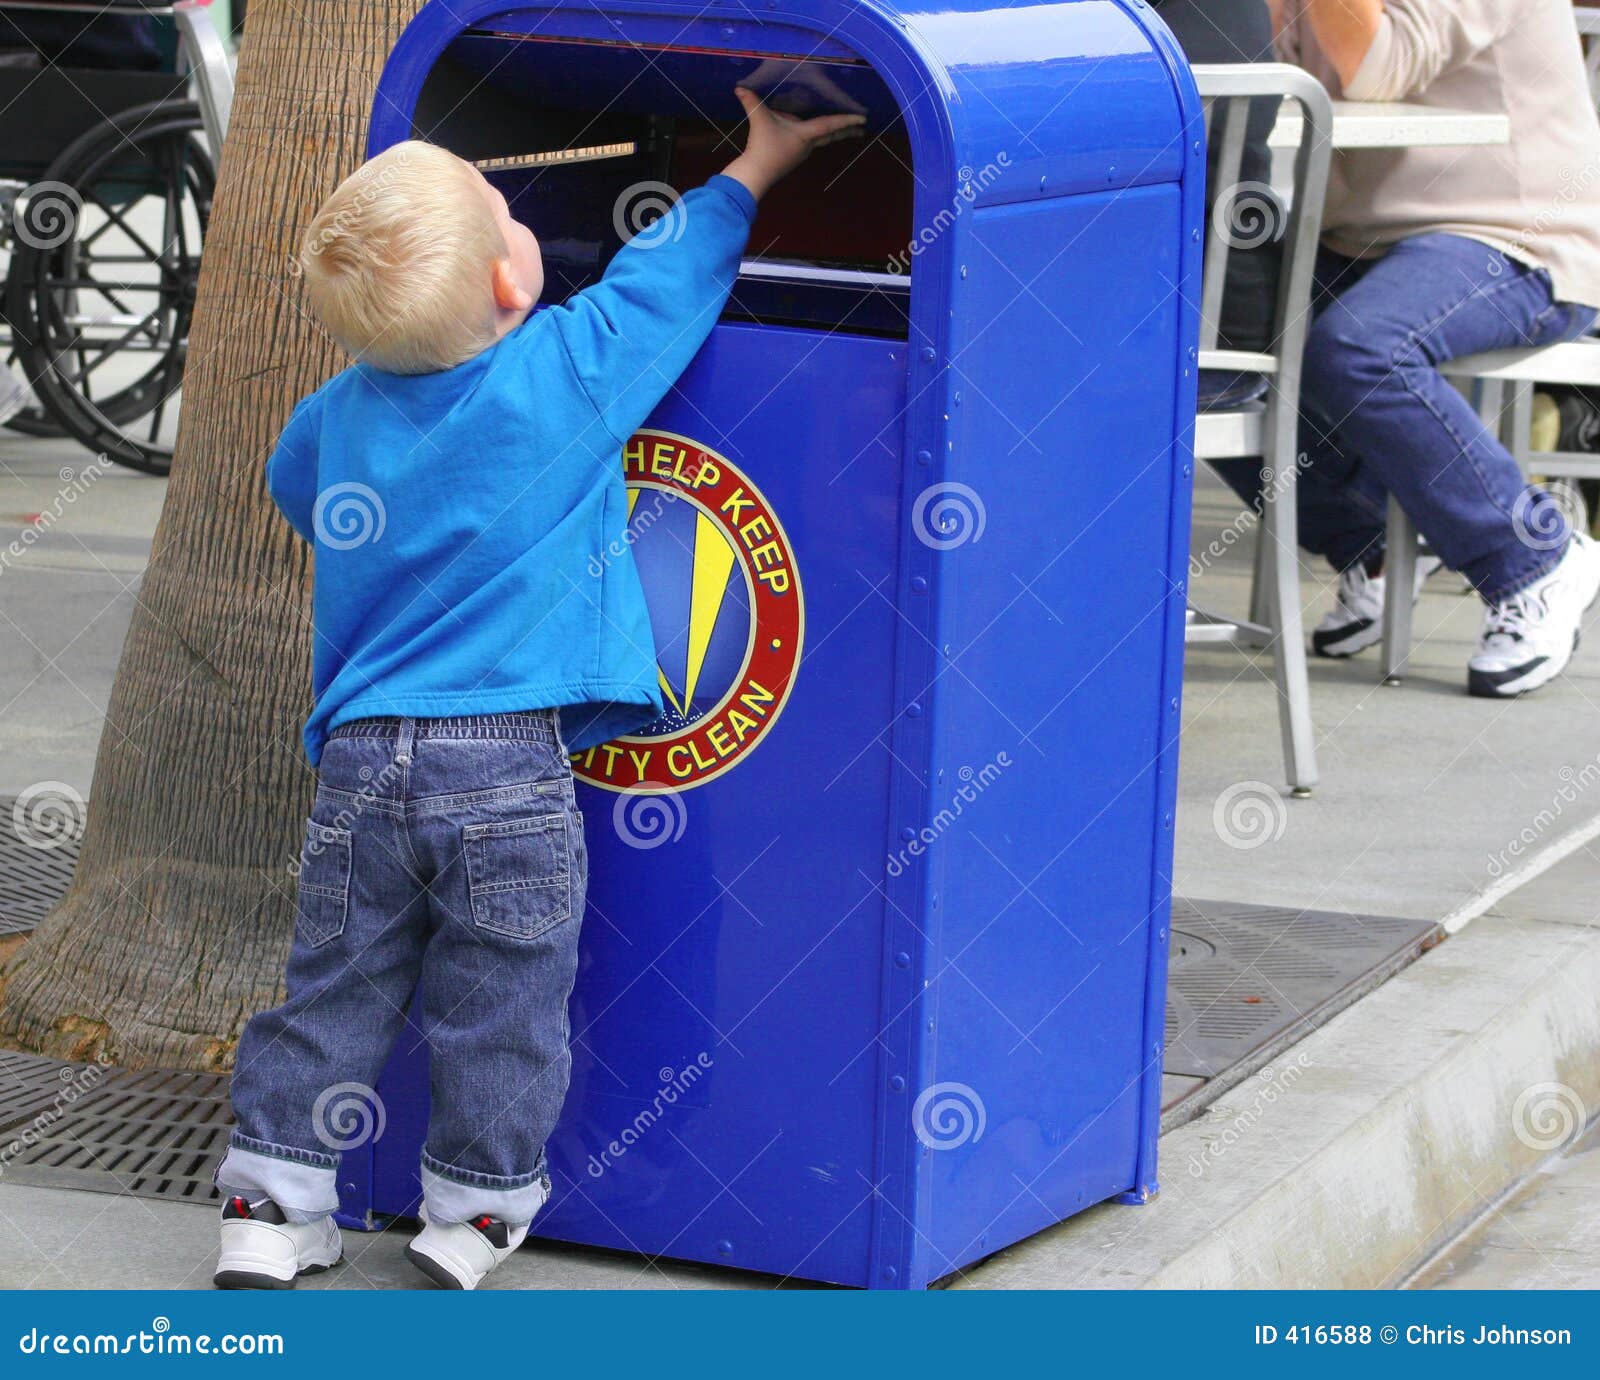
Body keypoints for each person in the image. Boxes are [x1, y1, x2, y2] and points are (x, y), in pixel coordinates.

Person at [210, 90, 864, 1290]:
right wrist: (755, 165)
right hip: (504, 767)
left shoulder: (339, 411)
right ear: (516, 287)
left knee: (332, 986)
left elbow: (295, 486)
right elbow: (658, 286)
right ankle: (472, 1212)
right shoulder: (564, 373)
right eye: (512, 219)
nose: (526, 233)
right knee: (501, 999)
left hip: (364, 763)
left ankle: (270, 1199)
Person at [1273, 0, 1600, 696]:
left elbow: (1374, 64)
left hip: (1516, 237)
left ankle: (1536, 556)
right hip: (1364, 241)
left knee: (1359, 348)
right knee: (1202, 343)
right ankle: (1376, 546)